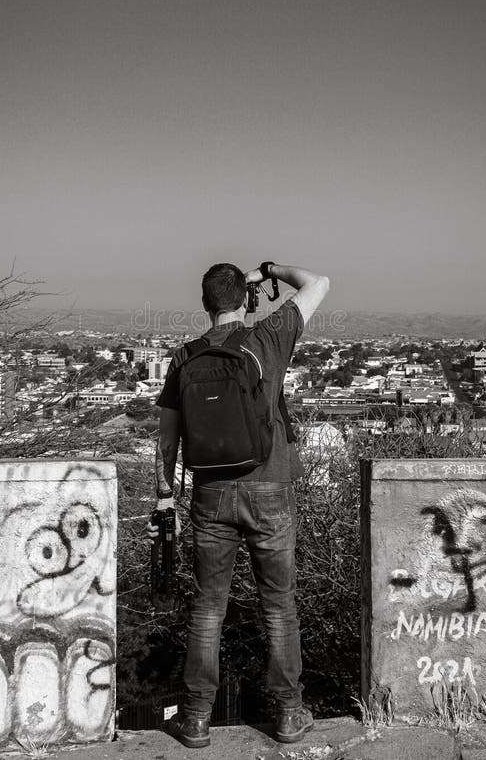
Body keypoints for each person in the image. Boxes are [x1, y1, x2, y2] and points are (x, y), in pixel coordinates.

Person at [148, 261, 329, 748]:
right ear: (243, 297)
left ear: (205, 302)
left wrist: (167, 494)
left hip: (209, 494)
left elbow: (167, 437)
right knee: (279, 605)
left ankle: (196, 717)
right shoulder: (268, 338)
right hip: (271, 488)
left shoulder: (184, 357)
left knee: (208, 607)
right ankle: (290, 713)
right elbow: (319, 283)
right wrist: (267, 270)